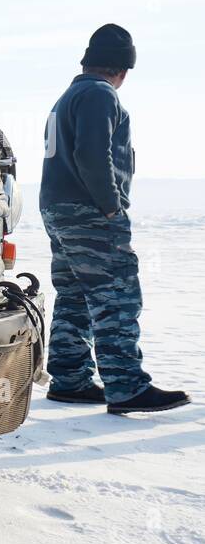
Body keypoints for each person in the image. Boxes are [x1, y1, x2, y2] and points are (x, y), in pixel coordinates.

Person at [40, 24, 189, 414]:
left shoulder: (68, 96)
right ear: (122, 69)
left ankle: (70, 381)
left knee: (74, 295)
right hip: (89, 212)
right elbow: (93, 154)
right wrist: (110, 206)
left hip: (59, 209)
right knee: (116, 295)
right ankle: (126, 387)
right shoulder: (99, 94)